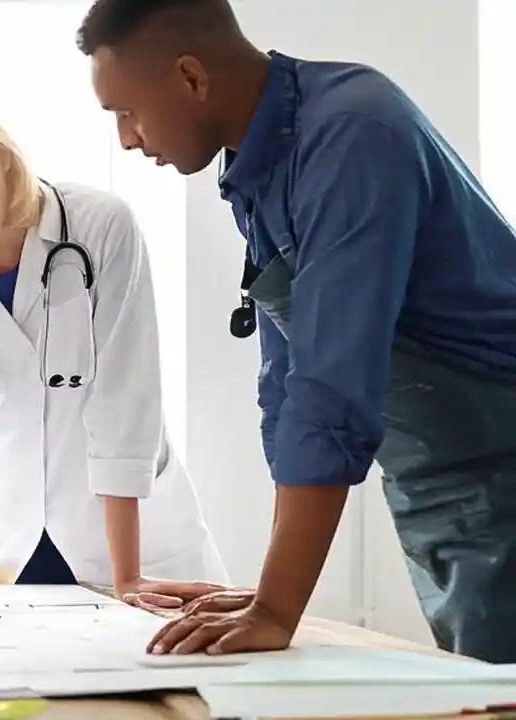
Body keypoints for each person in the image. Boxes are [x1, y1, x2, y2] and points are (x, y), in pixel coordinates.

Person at [79, 0, 516, 662]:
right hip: (440, 484)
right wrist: (269, 596)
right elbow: (286, 389)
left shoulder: (351, 134)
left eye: (127, 112)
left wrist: (277, 610)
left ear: (192, 78)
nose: (127, 140)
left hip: (500, 464)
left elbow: (331, 388)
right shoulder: (257, 164)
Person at [0, 82, 228, 613]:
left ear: (1, 156)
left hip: (127, 537)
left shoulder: (100, 226)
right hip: (18, 545)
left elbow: (124, 403)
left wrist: (128, 576)